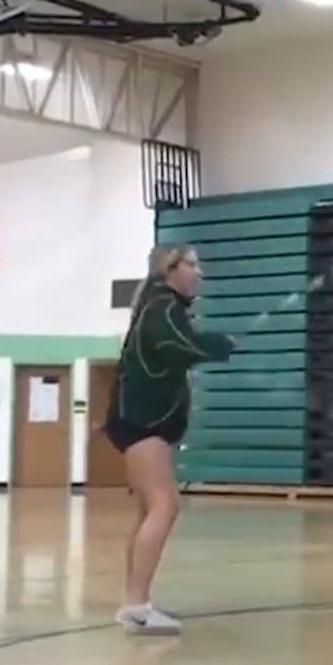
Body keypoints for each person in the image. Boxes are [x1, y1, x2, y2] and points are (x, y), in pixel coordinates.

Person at [107, 244, 234, 635]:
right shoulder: (162, 306)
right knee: (166, 504)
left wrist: (208, 345)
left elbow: (178, 346)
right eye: (192, 264)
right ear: (169, 269)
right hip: (143, 422)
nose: (199, 273)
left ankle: (136, 601)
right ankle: (137, 607)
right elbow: (176, 346)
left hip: (138, 421)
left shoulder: (159, 305)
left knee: (150, 509)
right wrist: (215, 345)